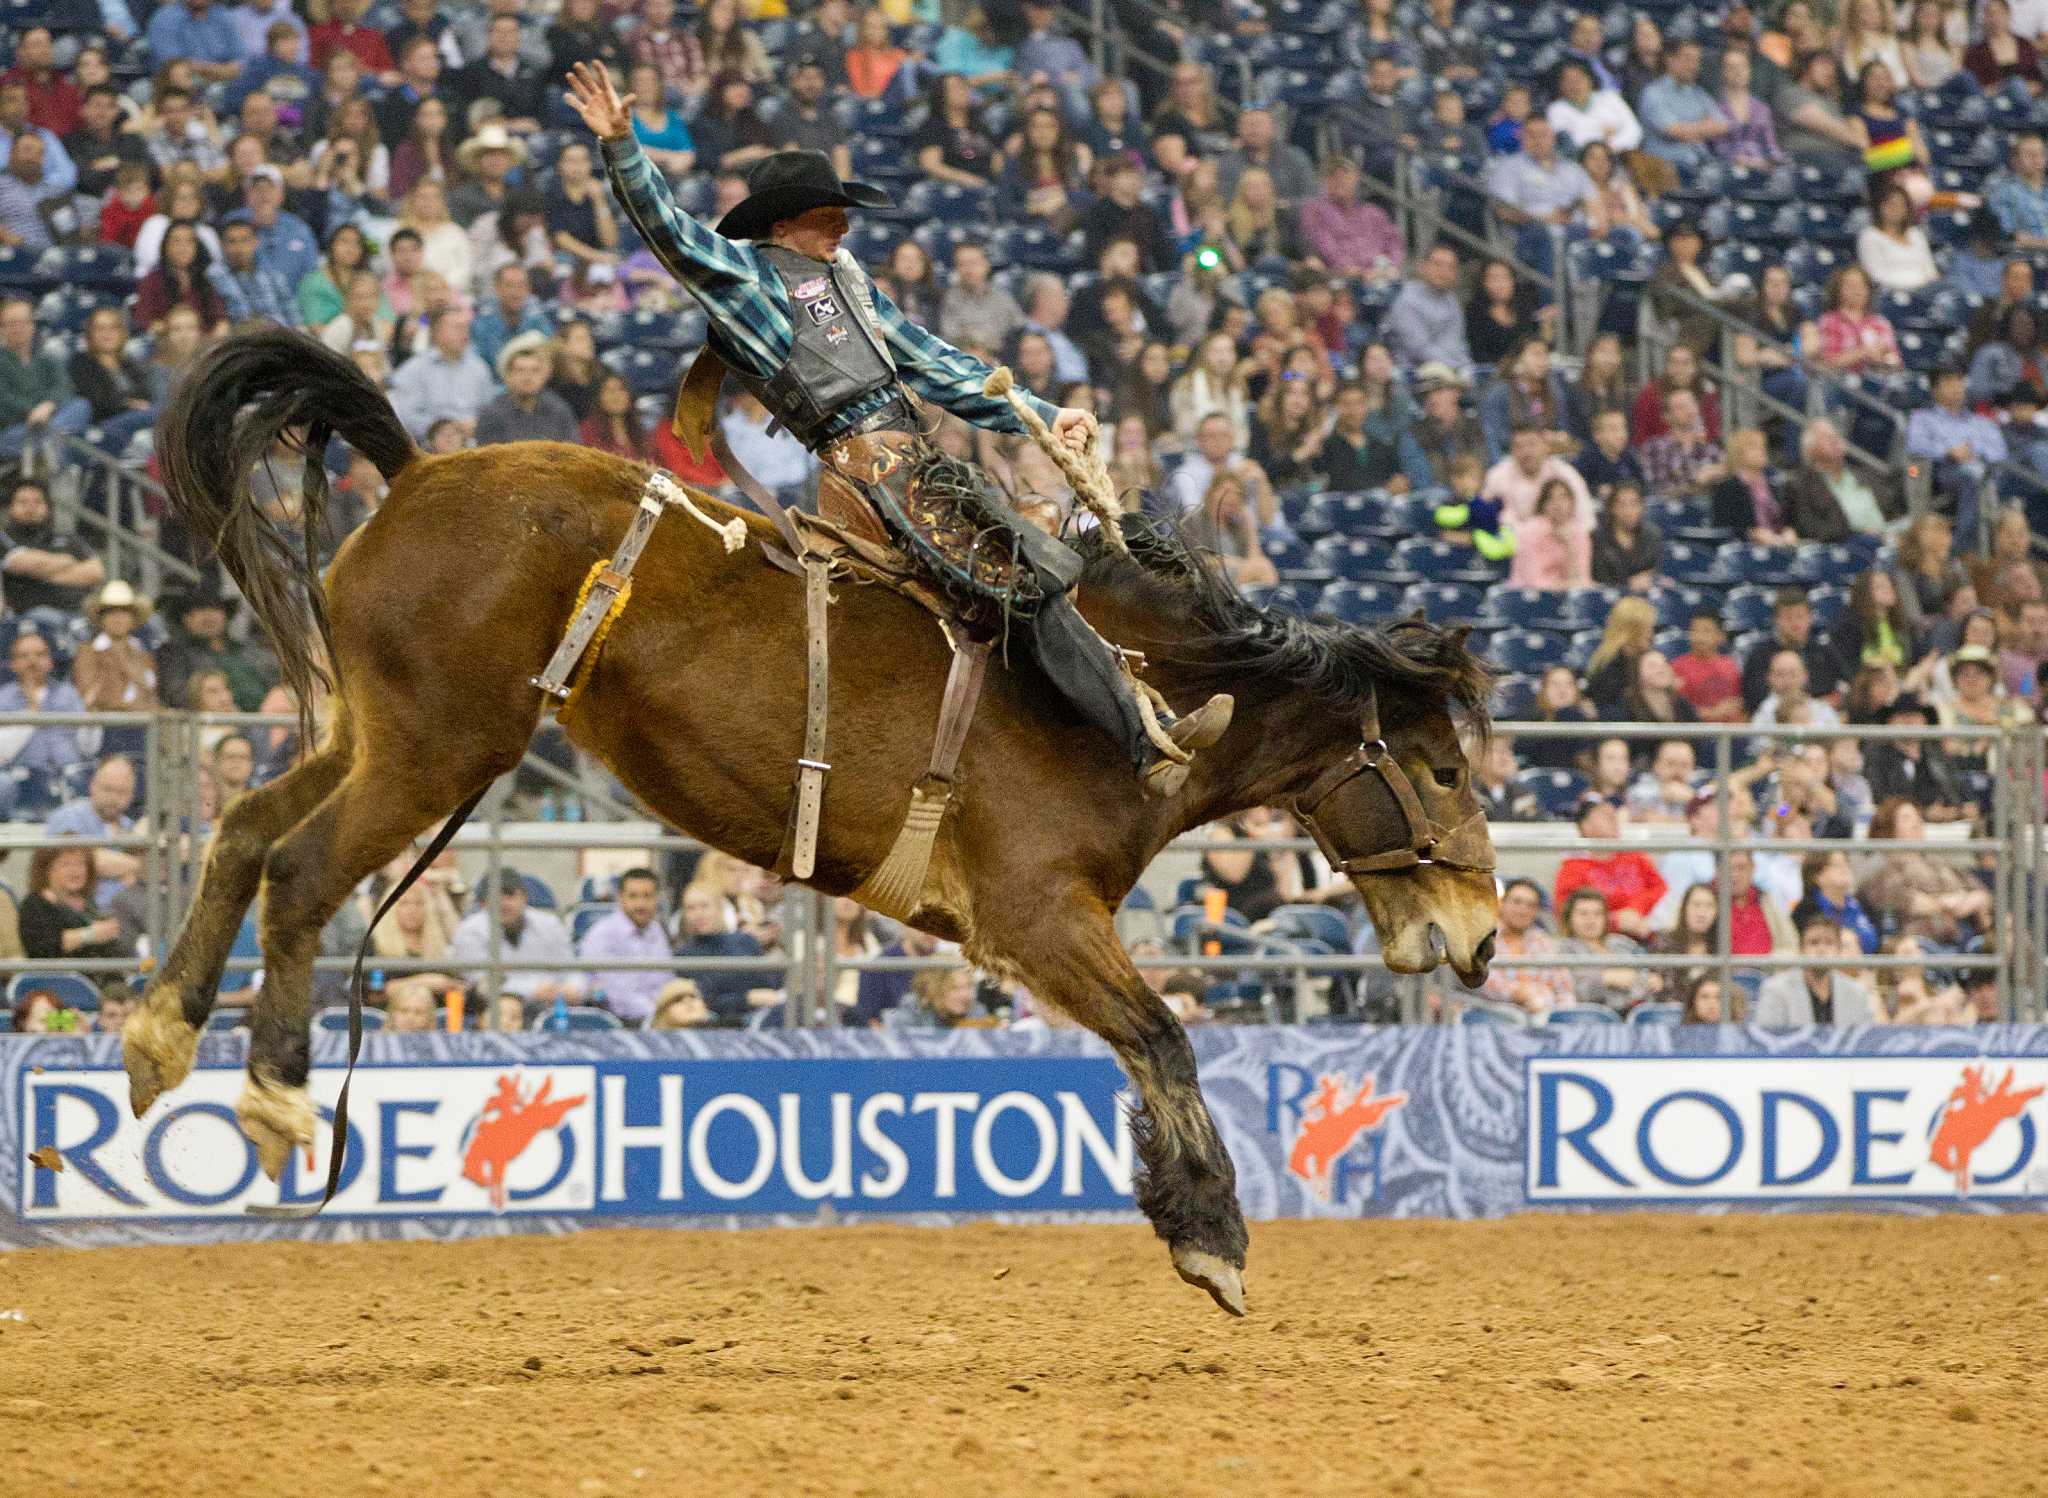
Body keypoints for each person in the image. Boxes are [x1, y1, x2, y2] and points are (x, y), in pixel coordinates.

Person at [568, 62, 1228, 798]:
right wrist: (625, 146)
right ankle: (1143, 747)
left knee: (1032, 571)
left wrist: (1043, 417)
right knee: (1029, 577)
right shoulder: (748, 278)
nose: (844, 225)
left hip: (914, 461)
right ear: (782, 224)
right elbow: (671, 234)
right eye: (827, 214)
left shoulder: (850, 285)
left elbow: (937, 364)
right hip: (870, 471)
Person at [1906, 365, 2007, 550]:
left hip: (1984, 471)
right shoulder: (1922, 418)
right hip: (1943, 473)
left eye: (1959, 381)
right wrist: (1948, 452)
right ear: (1935, 390)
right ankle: (1963, 549)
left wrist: (1975, 452)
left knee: (1993, 479)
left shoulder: (1980, 422)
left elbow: (1999, 452)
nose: (1956, 387)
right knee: (1972, 476)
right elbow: (1915, 447)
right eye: (1949, 382)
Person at [449, 870, 582, 1004]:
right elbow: (482, 984)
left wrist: (574, 988)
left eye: (510, 895)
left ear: (524, 897)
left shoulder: (550, 924)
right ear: (484, 904)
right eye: (496, 898)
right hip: (496, 1007)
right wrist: (534, 990)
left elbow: (571, 969)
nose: (504, 904)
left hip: (553, 1004)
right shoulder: (469, 931)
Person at [1554, 794, 1667, 939]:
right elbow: (1564, 911)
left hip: (1645, 931)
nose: (1613, 819)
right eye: (1603, 815)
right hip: (1598, 939)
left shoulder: (1635, 856)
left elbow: (1660, 889)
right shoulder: (1573, 867)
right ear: (1585, 826)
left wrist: (1635, 910)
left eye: (1612, 814)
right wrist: (1613, 921)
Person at [577, 867, 675, 1023]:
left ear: (657, 899)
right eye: (633, 896)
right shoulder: (602, 934)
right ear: (621, 898)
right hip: (619, 1021)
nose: (641, 904)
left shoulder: (657, 929)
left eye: (647, 896)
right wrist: (661, 1014)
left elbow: (666, 981)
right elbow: (619, 998)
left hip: (658, 1017)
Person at [672, 880, 771, 1022]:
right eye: (690, 908)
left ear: (719, 908)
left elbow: (768, 985)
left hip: (762, 1017)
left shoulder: (746, 941)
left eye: (704, 906)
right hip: (712, 1024)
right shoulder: (683, 955)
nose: (698, 914)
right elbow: (705, 1001)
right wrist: (748, 998)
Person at [1754, 916, 1877, 1025]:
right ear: (1801, 950)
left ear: (1839, 950)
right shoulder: (1776, 989)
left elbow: (1864, 1041)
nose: (1821, 950)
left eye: (1829, 943)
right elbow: (1767, 1041)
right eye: (1814, 943)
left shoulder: (1856, 993)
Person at [1479, 877, 1570, 1018]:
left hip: (1546, 1016)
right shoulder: (1483, 938)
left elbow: (1563, 987)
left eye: (1530, 905)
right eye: (1517, 902)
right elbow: (1484, 984)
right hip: (1495, 1016)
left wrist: (1560, 1011)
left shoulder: (1542, 941)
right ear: (1501, 903)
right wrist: (1523, 994)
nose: (1523, 910)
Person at [18, 842, 122, 960]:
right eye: (66, 864)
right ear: (48, 870)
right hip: (59, 976)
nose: (75, 871)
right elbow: (42, 947)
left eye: (80, 864)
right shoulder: (34, 904)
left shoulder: (89, 903)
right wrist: (89, 935)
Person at [475, 333, 579, 446]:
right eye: (520, 370)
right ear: (508, 376)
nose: (528, 377)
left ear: (544, 375)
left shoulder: (558, 410)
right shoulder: (493, 414)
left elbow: (573, 451)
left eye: (535, 370)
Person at [1555, 886, 1648, 1013]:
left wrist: (1636, 982)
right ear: (1569, 918)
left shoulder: (1622, 943)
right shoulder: (1564, 949)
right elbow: (1572, 990)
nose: (1590, 920)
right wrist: (1606, 979)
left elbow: (1649, 978)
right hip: (1591, 1016)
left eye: (1597, 914)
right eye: (1583, 913)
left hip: (1634, 1011)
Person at [1384, 243, 1471, 373]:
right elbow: (1419, 350)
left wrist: (1468, 368)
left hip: (1449, 372)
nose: (1444, 271)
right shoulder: (1407, 299)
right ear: (1423, 267)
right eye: (1438, 264)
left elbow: (1458, 344)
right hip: (1412, 373)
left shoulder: (1452, 301)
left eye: (1451, 267)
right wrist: (1456, 367)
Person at [1858, 179, 1939, 294]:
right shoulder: (1869, 236)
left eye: (1901, 205)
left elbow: (1930, 271)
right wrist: (1910, 287)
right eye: (1891, 204)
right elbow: (1874, 275)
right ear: (1880, 207)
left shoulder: (1916, 234)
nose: (1896, 209)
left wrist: (1927, 287)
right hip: (1891, 292)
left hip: (1925, 291)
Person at [1792, 850, 1880, 955]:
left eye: (1846, 863)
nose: (1845, 869)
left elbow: (1879, 940)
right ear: (1816, 876)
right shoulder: (1805, 910)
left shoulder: (1861, 904)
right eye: (1836, 865)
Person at [1590, 480, 1662, 592]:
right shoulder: (1598, 538)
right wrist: (1628, 584)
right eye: (1622, 504)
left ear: (1642, 507)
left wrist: (1651, 577)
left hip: (1644, 600)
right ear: (1612, 508)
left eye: (1634, 504)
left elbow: (1657, 570)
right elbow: (1599, 579)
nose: (1628, 511)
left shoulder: (1652, 535)